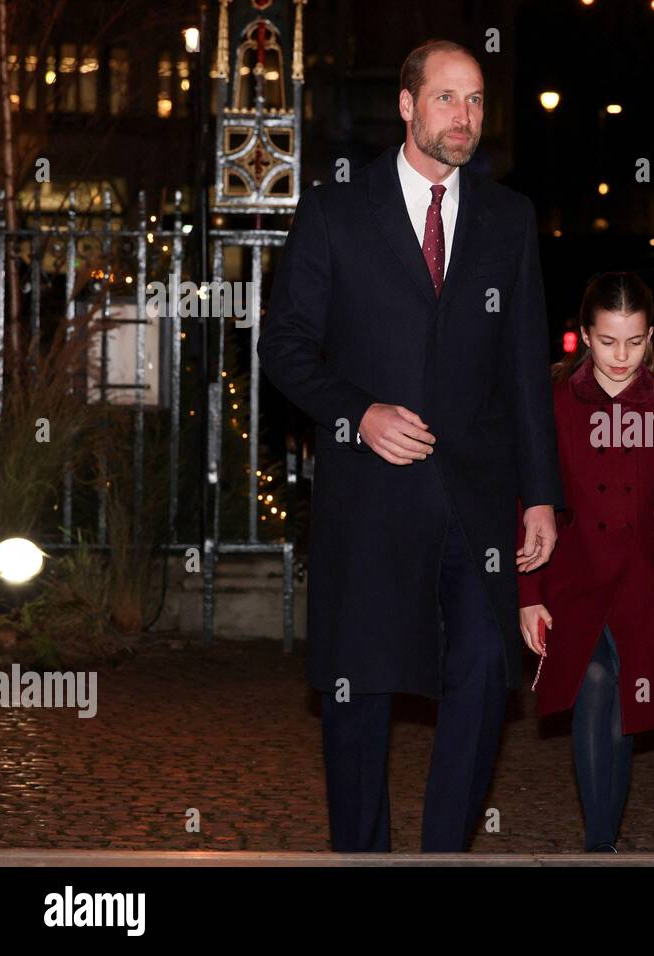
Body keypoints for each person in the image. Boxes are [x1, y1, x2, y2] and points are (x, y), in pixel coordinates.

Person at [258, 39, 562, 852]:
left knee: (480, 684)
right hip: (371, 496)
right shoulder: (335, 209)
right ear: (406, 104)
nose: (463, 116)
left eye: (474, 101)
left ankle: (444, 857)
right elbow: (284, 347)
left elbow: (525, 368)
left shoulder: (509, 217)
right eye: (445, 99)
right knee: (359, 696)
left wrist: (540, 493)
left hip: (478, 499)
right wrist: (359, 413)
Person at [517, 272, 654, 852]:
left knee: (627, 691)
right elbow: (526, 501)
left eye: (634, 341)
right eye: (608, 341)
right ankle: (600, 843)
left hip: (641, 579)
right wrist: (528, 595)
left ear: (650, 335)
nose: (621, 355)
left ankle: (600, 843)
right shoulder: (552, 404)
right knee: (595, 680)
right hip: (571, 573)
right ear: (585, 335)